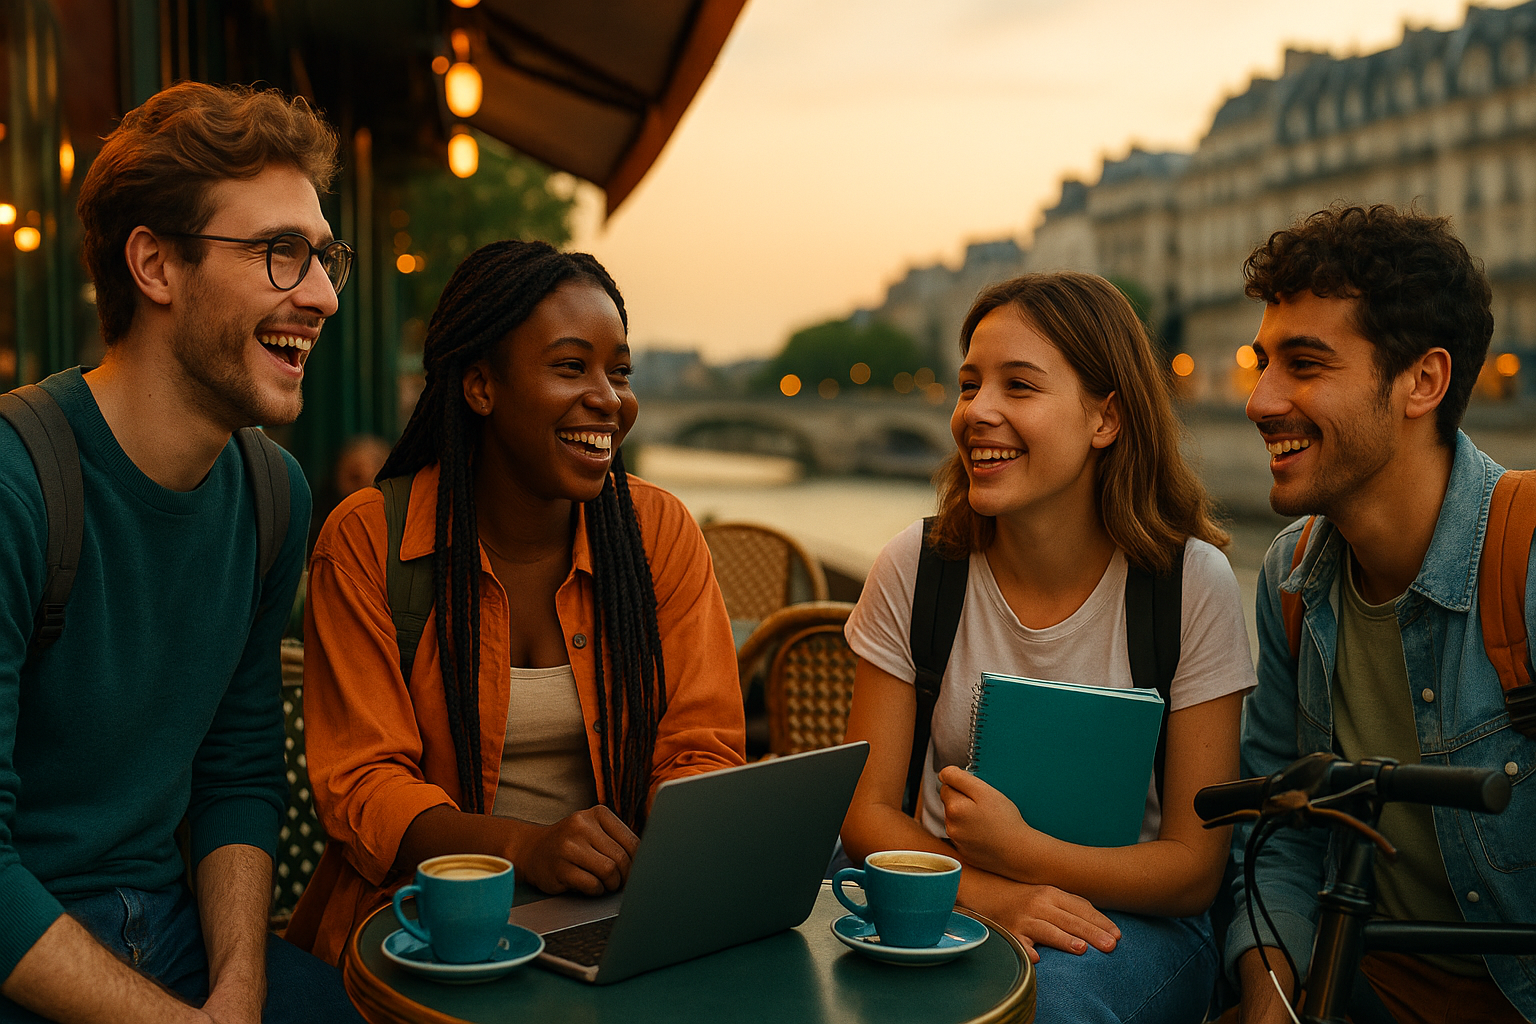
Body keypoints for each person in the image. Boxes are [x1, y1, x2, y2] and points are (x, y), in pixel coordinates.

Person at [0, 83, 362, 1023]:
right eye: (282, 254)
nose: (321, 295)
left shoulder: (276, 500)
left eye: (324, 259)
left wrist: (238, 991)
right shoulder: (17, 485)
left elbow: (238, 770)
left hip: (177, 934)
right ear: (156, 265)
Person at [285, 240, 747, 965]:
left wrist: (660, 852)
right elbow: (364, 788)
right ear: (479, 386)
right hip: (421, 931)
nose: (609, 398)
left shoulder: (661, 534)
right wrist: (523, 850)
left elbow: (702, 748)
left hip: (610, 922)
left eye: (619, 372)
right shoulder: (369, 541)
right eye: (571, 367)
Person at [840, 271, 1255, 1023]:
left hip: (1129, 923)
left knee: (1042, 1008)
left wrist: (1024, 855)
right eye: (969, 386)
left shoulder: (1191, 584)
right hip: (945, 892)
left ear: (1107, 419)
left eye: (1019, 386)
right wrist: (997, 893)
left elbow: (1195, 870)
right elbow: (866, 812)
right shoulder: (918, 566)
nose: (978, 413)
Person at [1229, 204, 1536, 1024]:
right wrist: (1271, 999)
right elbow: (1280, 836)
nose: (1259, 400)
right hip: (1364, 991)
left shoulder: (1531, 557)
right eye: (1264, 363)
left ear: (1423, 382)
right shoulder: (1290, 578)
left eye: (1305, 364)